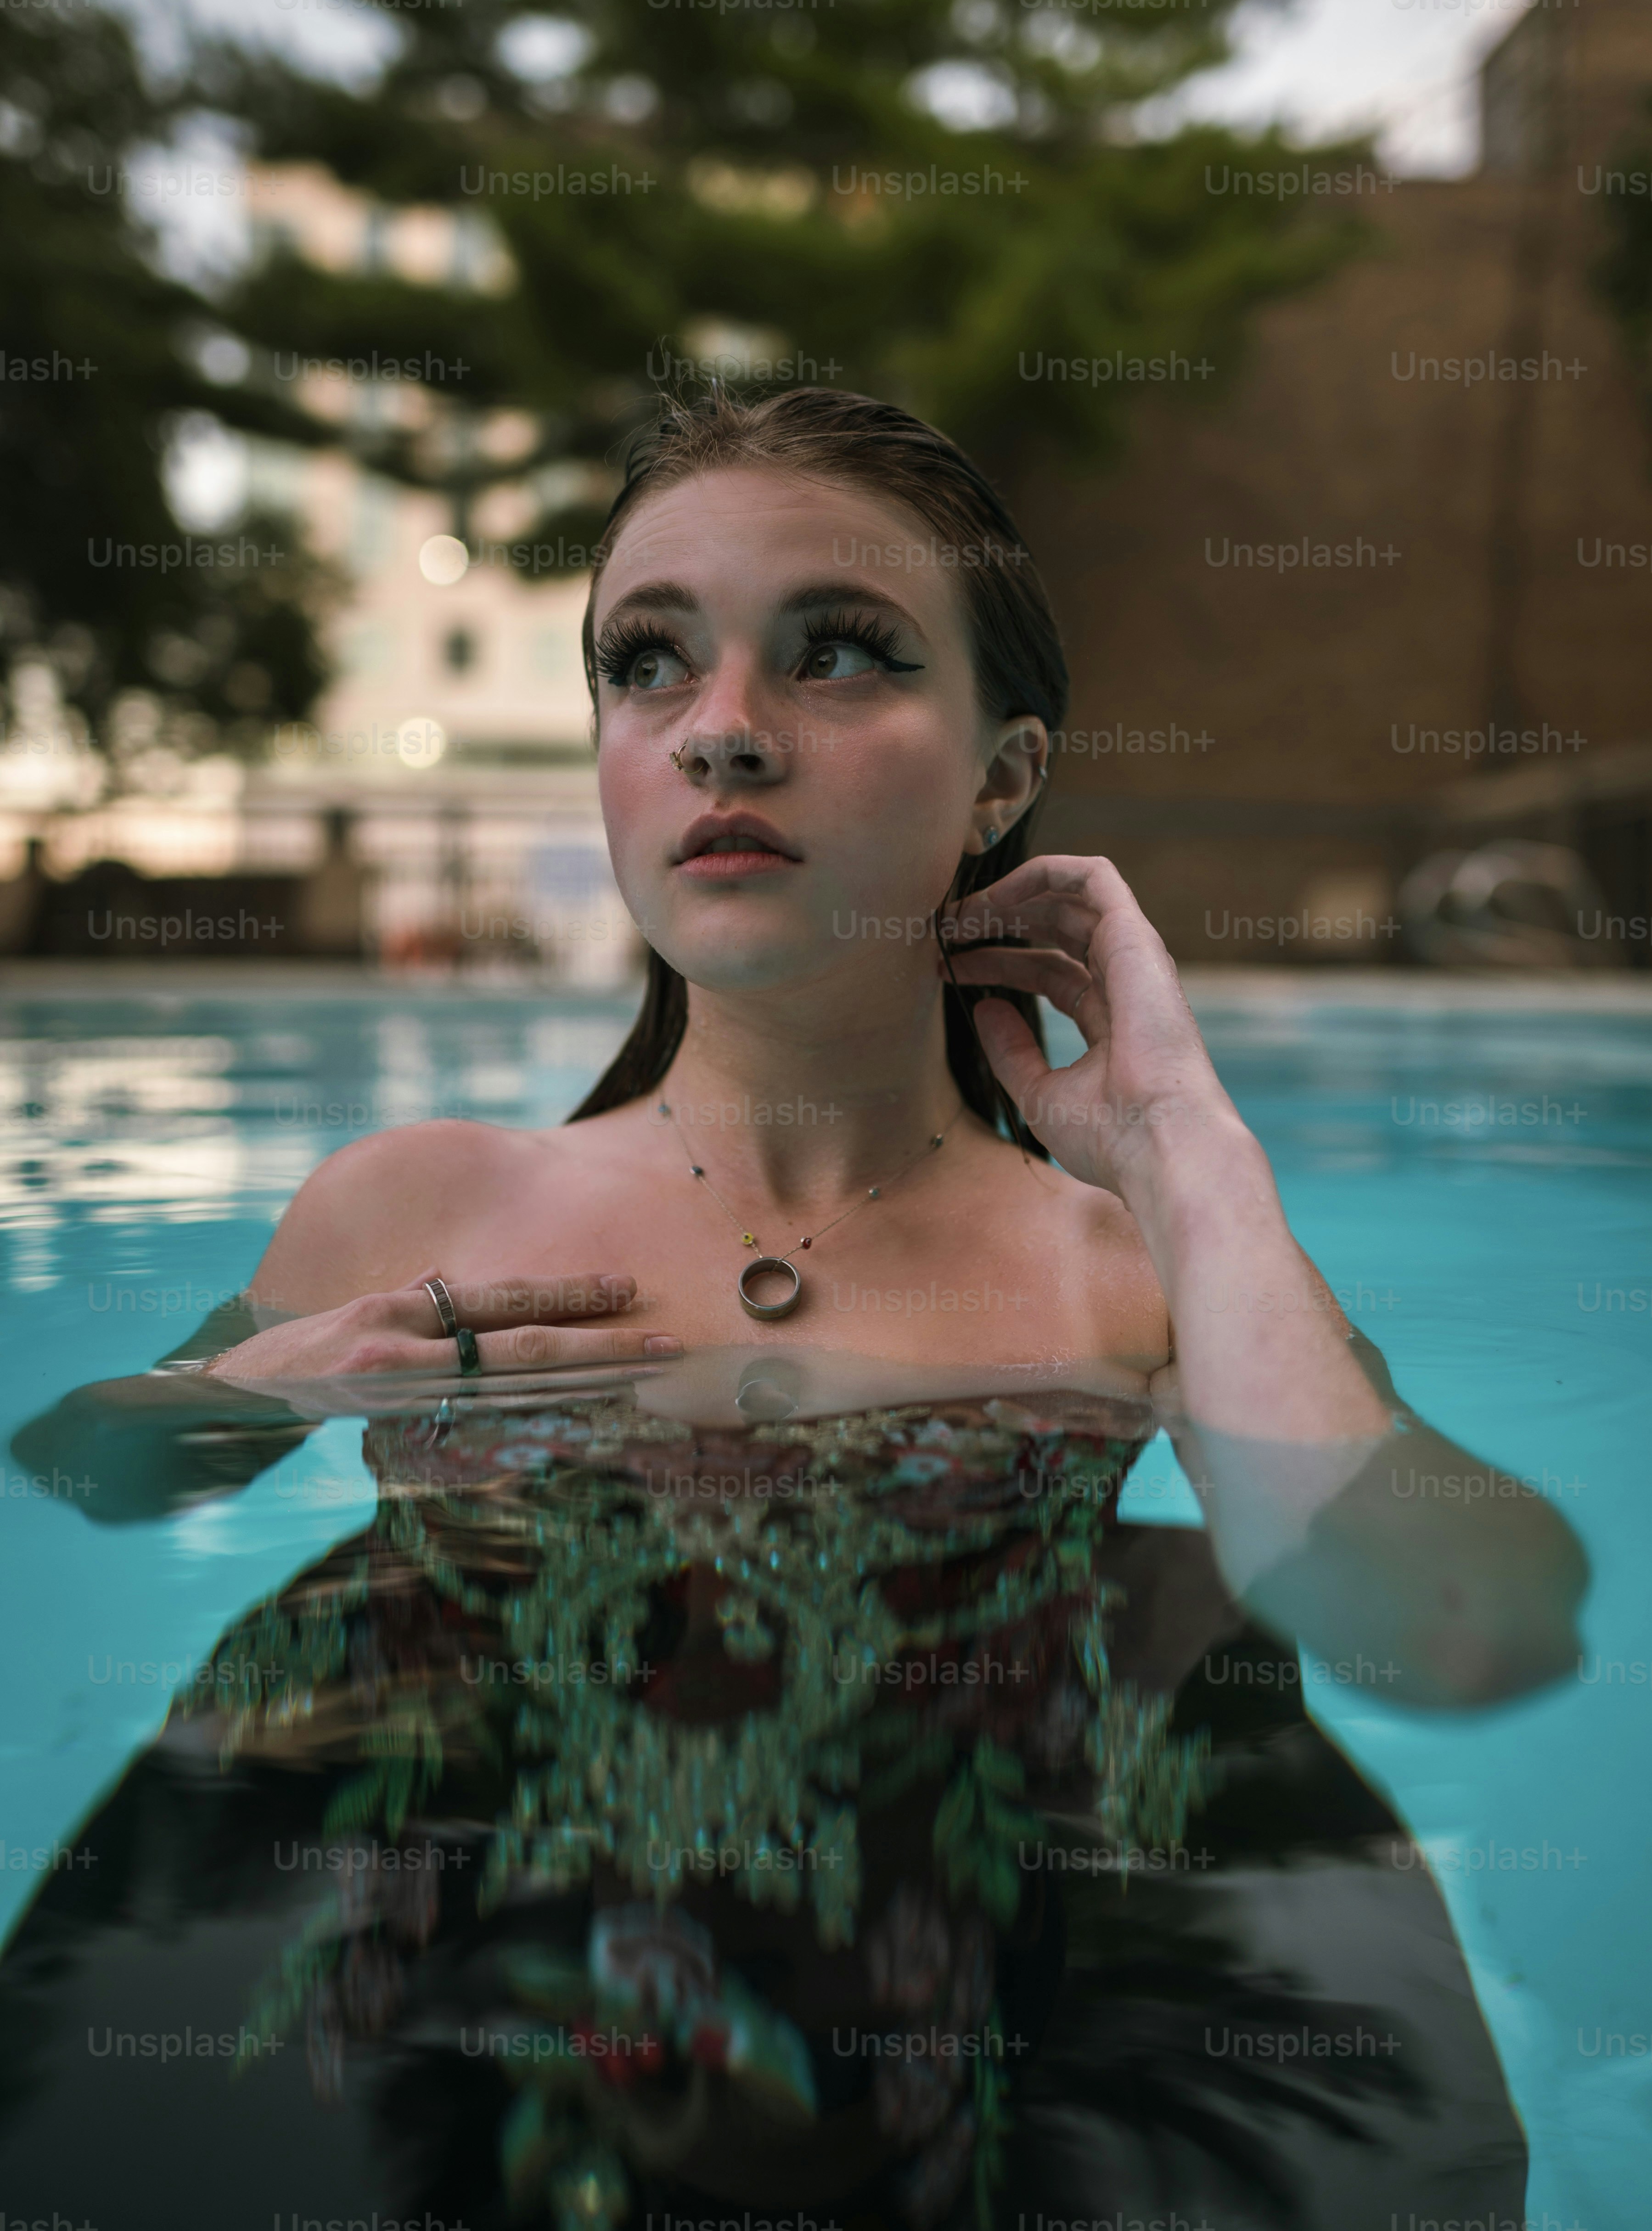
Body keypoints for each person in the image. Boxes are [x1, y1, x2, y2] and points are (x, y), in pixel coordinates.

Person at [2, 387, 1588, 2231]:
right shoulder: (417, 1202)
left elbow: (1463, 1630)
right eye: (646, 663)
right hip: (443, 1952)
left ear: (1006, 774)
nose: (724, 733)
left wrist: (1188, 1151)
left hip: (999, 1971)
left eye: (840, 653)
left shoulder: (1138, 1259)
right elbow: (94, 1469)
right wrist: (274, 1377)